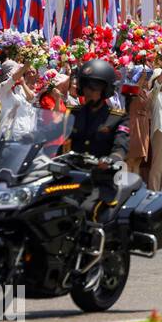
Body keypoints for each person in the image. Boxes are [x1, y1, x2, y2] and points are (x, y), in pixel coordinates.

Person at [66, 60, 130, 230]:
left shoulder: (117, 117)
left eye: (94, 88)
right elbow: (56, 138)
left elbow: (120, 146)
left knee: (86, 209)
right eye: (86, 86)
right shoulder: (72, 114)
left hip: (100, 180)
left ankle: (89, 250)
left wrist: (111, 160)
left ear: (105, 90)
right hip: (72, 176)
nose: (89, 92)